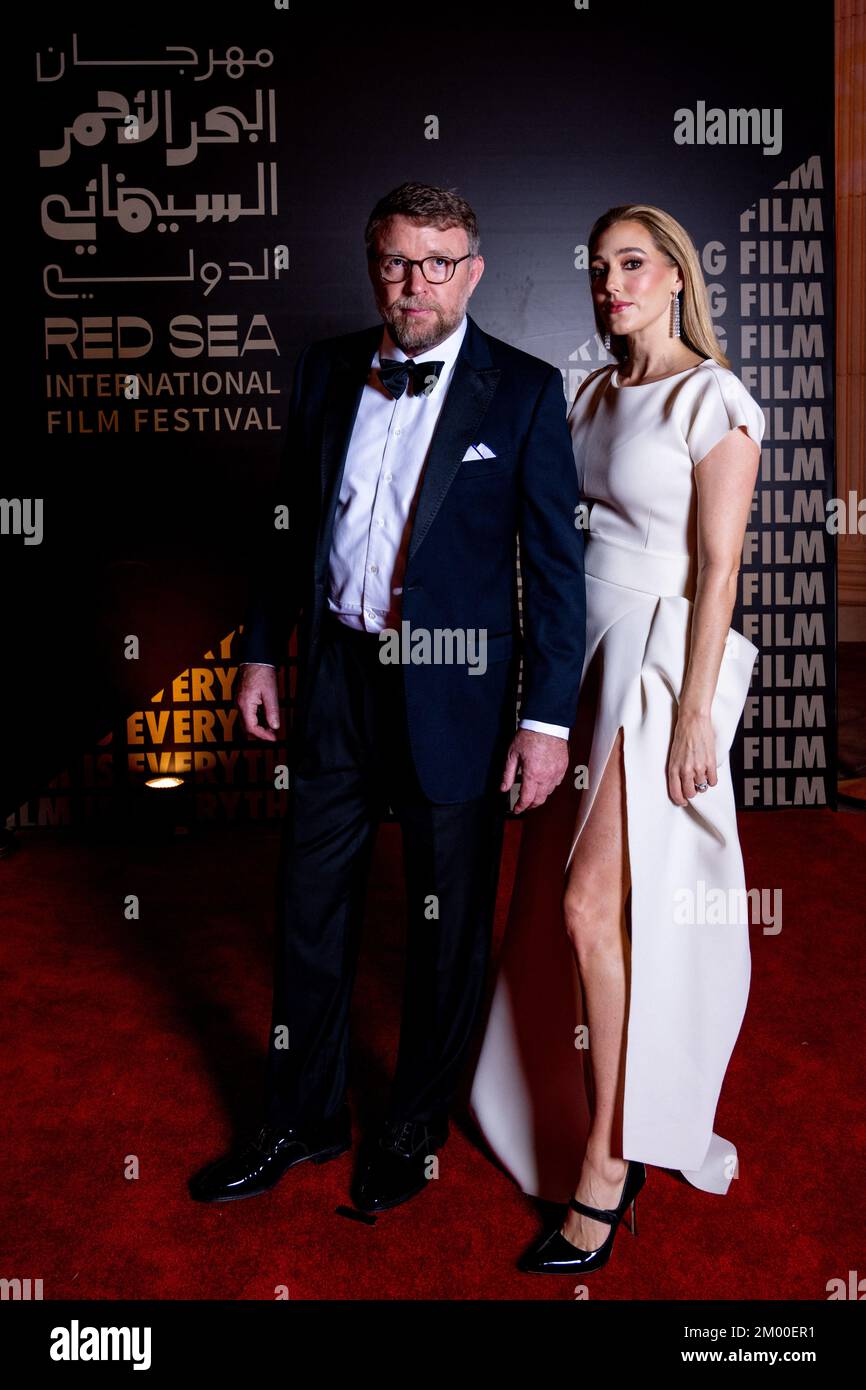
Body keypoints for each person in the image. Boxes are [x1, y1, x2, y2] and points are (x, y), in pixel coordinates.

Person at [188, 182, 586, 1215]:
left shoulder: (527, 390)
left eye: (437, 261)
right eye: (396, 261)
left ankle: (410, 1130)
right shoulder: (326, 367)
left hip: (456, 693)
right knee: (308, 910)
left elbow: (555, 571)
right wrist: (263, 654)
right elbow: (287, 527)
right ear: (374, 264)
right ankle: (301, 1116)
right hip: (333, 681)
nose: (415, 282)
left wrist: (543, 721)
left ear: (475, 268)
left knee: (445, 926)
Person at [469, 204, 765, 1275]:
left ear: (675, 276)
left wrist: (694, 708)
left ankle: (608, 1160)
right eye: (597, 268)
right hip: (578, 653)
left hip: (651, 662)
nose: (611, 284)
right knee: (561, 903)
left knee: (588, 903)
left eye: (631, 264)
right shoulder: (589, 389)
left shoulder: (712, 398)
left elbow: (717, 569)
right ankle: (576, 1111)